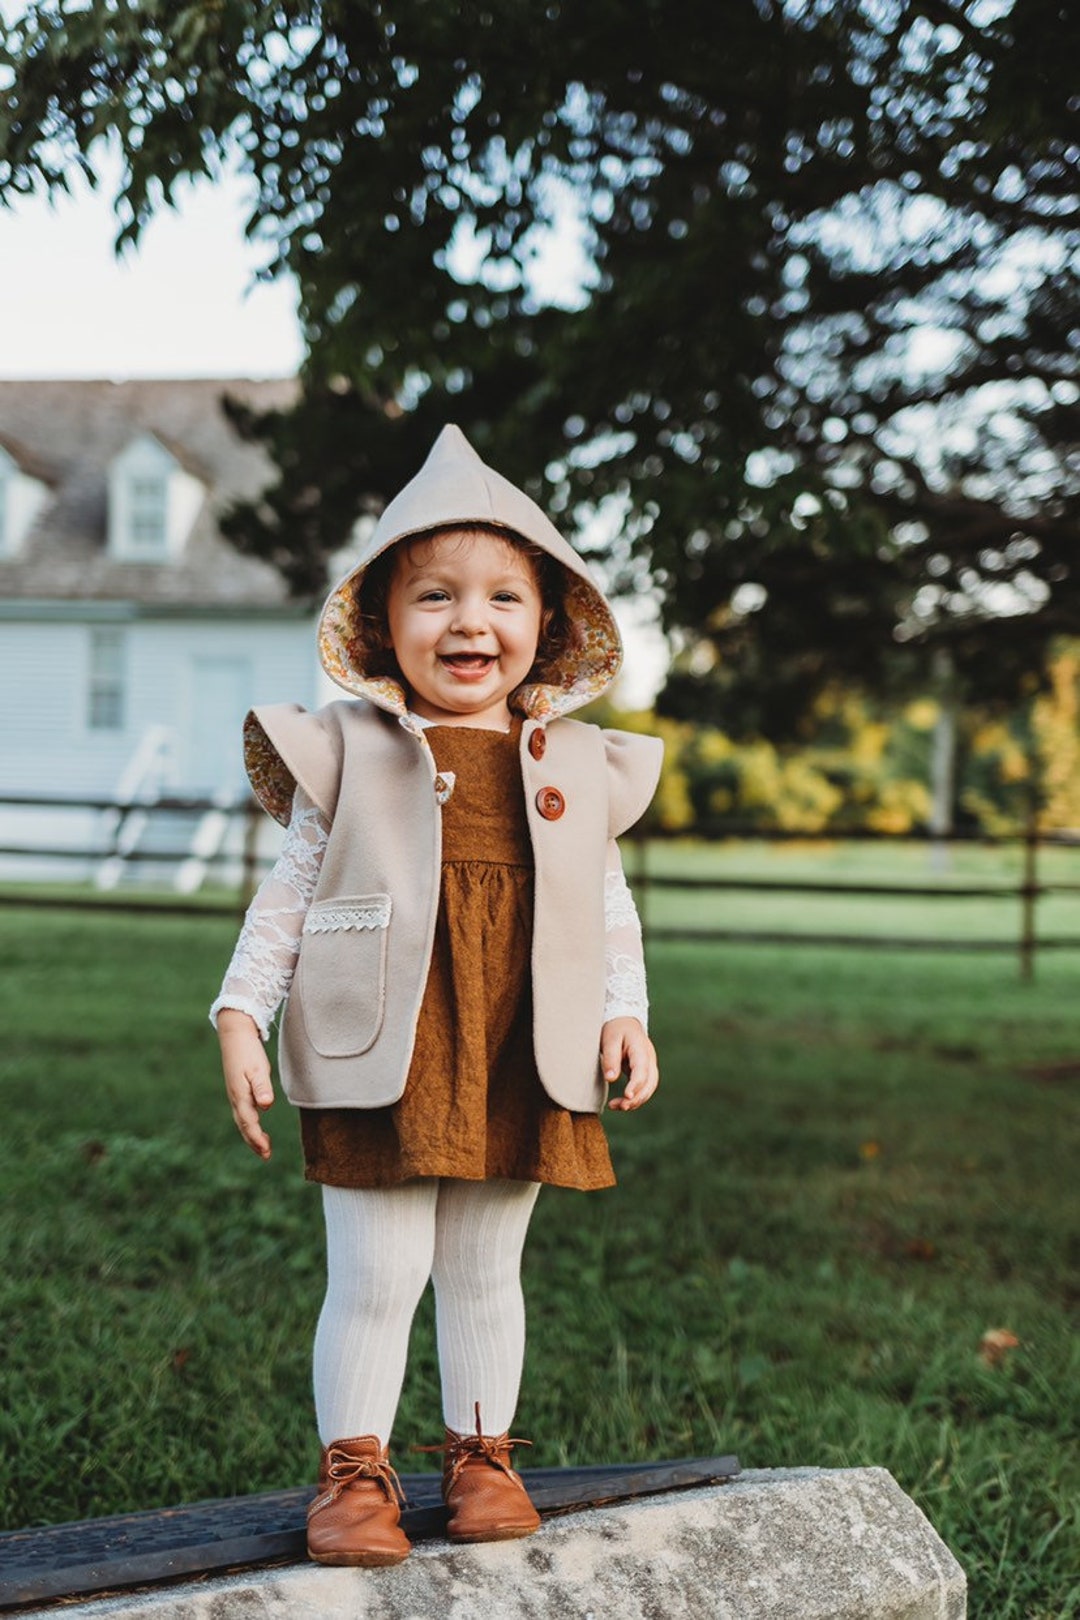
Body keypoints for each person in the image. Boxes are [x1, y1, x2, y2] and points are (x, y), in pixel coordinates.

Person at [211, 425, 663, 1567]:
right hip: (382, 1038)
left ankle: (480, 1455)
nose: (472, 622)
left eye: (505, 597)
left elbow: (603, 902)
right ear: (378, 625)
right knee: (376, 1271)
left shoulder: (568, 764)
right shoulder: (350, 753)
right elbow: (289, 895)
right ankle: (356, 1477)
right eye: (435, 596)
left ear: (546, 626)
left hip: (520, 1039)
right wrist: (238, 1012)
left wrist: (626, 1009)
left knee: (482, 1267)